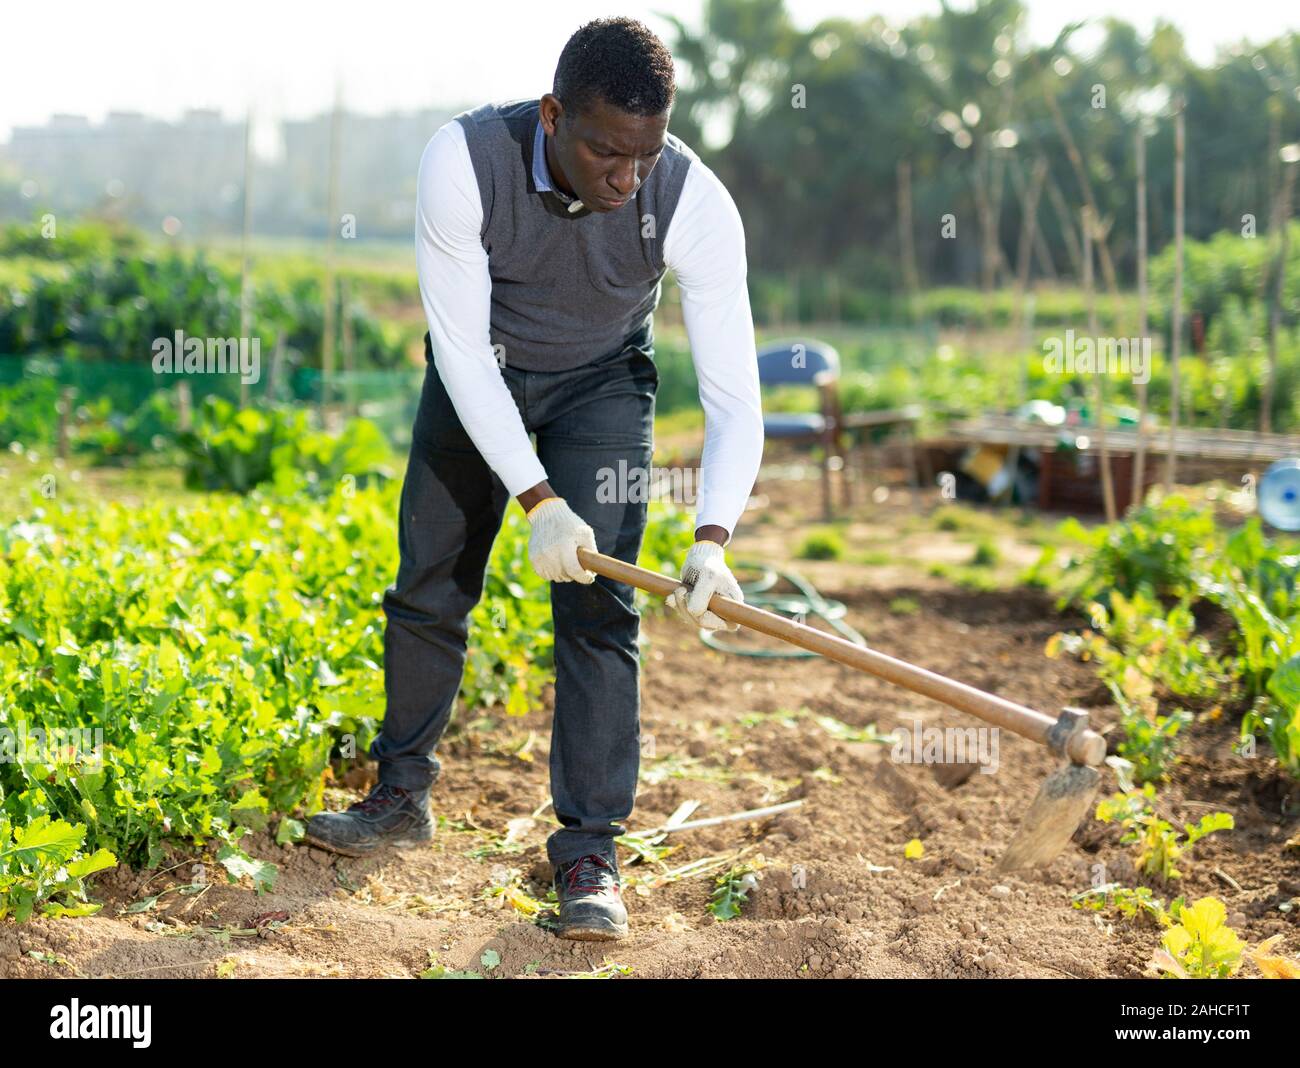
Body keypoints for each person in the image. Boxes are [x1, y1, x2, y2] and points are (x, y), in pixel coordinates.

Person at [305, 16, 764, 942]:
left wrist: (713, 540)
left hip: (602, 384)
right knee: (429, 585)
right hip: (482, 375)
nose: (624, 178)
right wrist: (539, 500)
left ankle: (590, 853)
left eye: (644, 154)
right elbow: (463, 356)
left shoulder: (691, 199)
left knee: (599, 610)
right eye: (604, 150)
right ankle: (400, 794)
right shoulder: (463, 159)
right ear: (554, 114)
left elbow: (734, 399)